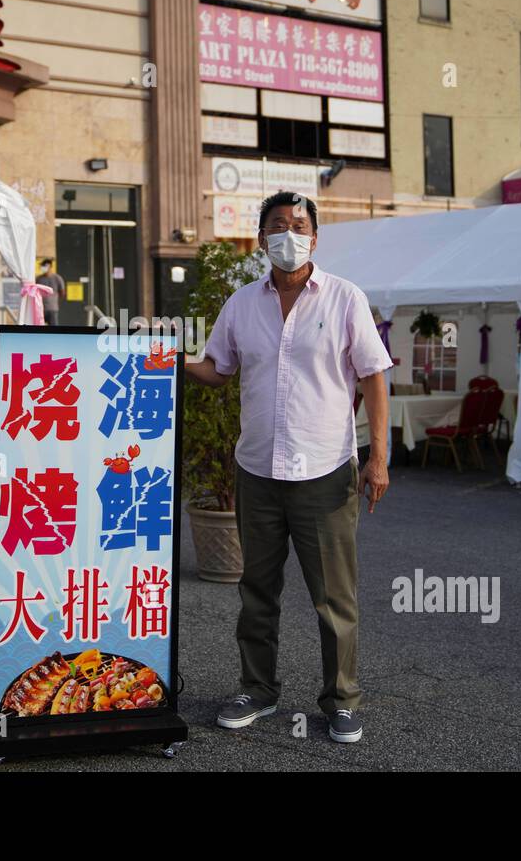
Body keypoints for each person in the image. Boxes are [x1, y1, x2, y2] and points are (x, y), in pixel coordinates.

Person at [183, 191, 391, 745]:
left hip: (325, 471)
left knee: (334, 596)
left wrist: (378, 457)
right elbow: (218, 369)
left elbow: (373, 376)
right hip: (257, 470)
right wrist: (170, 360)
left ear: (315, 238)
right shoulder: (242, 304)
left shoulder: (345, 299)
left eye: (299, 225)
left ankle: (342, 699)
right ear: (261, 238)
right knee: (257, 590)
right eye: (278, 225)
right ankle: (257, 690)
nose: (289, 234)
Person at [37, 258, 65, 326]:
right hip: (40, 308)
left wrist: (54, 300)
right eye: (42, 266)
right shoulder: (38, 279)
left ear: (50, 267)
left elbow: (62, 292)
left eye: (45, 266)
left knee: (53, 330)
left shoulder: (57, 278)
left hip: (52, 309)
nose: (43, 268)